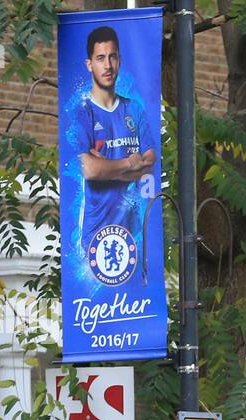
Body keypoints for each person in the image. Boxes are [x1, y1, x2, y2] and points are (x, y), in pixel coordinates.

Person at [68, 25, 158, 256]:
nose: (107, 65)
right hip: (94, 236)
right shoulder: (82, 111)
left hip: (132, 233)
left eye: (112, 57)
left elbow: (150, 161)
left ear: (120, 60)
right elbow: (90, 170)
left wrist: (109, 168)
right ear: (89, 64)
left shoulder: (133, 108)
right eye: (100, 58)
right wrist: (130, 164)